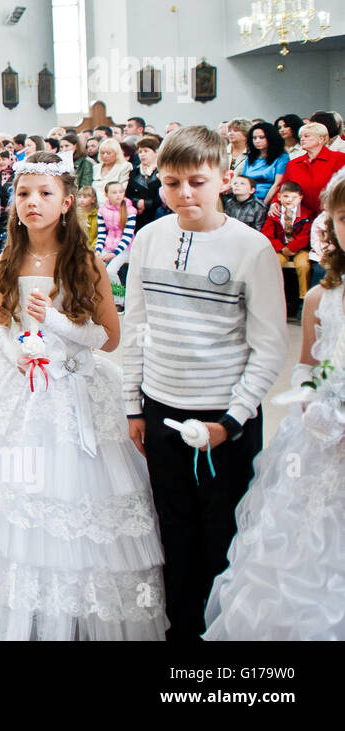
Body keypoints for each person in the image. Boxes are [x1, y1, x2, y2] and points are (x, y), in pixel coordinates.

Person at [0, 151, 165, 640]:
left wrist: (58, 323)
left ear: (67, 202)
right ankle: (3, 598)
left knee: (71, 494)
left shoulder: (85, 261)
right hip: (19, 382)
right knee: (2, 496)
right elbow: (1, 325)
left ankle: (71, 607)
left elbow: (109, 337)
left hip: (74, 386)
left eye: (45, 193)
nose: (32, 202)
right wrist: (16, 355)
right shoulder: (9, 258)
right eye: (24, 194)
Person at [122, 126, 288, 641]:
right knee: (173, 527)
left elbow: (269, 347)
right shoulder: (149, 238)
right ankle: (181, 630)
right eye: (172, 183)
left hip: (224, 418)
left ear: (224, 177)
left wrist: (231, 420)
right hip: (161, 408)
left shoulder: (251, 248)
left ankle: (222, 635)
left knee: (223, 533)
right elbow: (135, 328)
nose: (184, 194)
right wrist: (134, 407)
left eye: (197, 181)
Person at [204, 170, 345, 639]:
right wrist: (310, 398)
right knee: (298, 552)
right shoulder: (323, 297)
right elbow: (305, 365)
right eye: (344, 217)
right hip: (322, 441)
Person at [261, 181, 313, 303]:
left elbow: (306, 236)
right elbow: (267, 235)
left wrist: (292, 247)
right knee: (273, 263)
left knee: (303, 265)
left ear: (300, 198)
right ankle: (272, 297)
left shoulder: (307, 215)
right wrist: (281, 248)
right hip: (281, 248)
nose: (290, 200)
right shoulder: (274, 214)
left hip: (299, 249)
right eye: (286, 196)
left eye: (294, 197)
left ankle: (303, 299)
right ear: (279, 197)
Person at [243, 121, 288, 203]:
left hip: (268, 200)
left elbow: (278, 184)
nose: (257, 141)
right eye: (254, 138)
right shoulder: (249, 158)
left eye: (261, 137)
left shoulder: (282, 158)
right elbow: (244, 180)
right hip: (247, 199)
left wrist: (263, 205)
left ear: (270, 138)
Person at [126, 135, 164, 227]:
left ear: (156, 152)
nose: (142, 154)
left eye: (146, 151)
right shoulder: (134, 172)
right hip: (138, 215)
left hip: (157, 215)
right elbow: (128, 194)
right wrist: (137, 202)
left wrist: (146, 204)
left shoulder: (162, 171)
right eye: (140, 152)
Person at [92, 138, 131, 206]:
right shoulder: (96, 168)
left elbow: (122, 189)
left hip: (113, 206)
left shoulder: (124, 166)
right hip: (93, 206)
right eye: (102, 153)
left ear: (117, 153)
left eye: (108, 153)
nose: (105, 156)